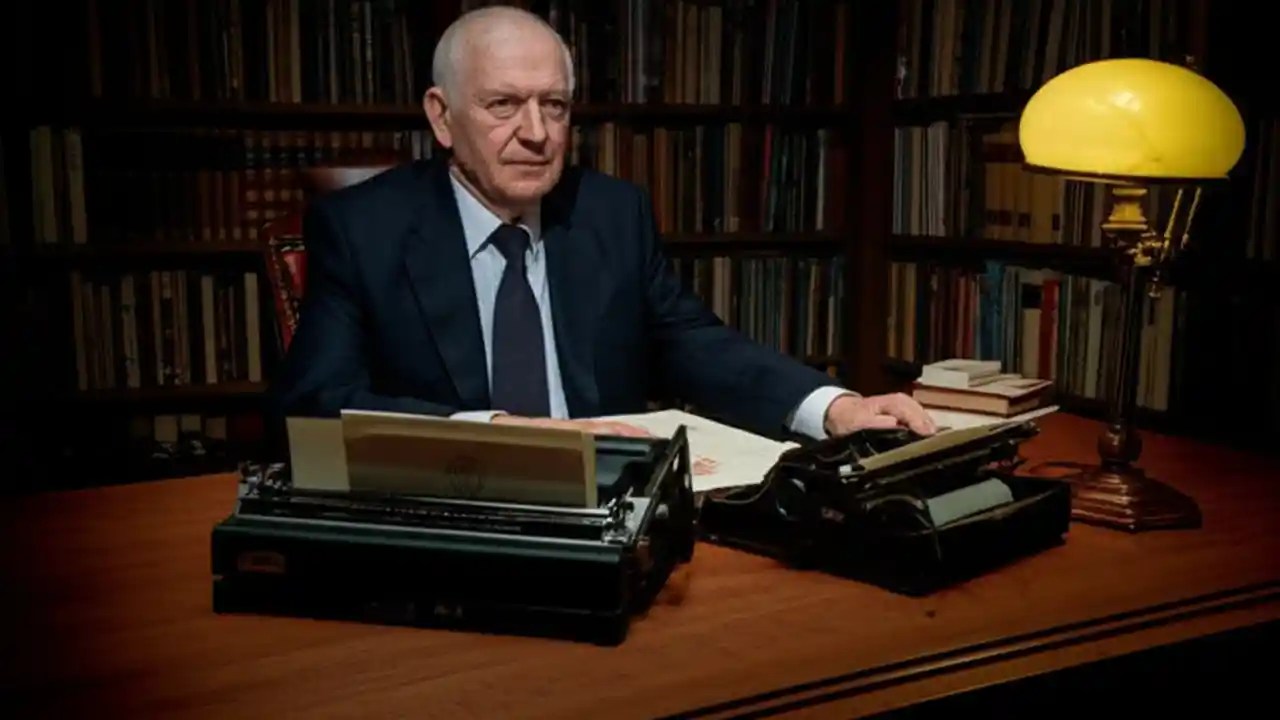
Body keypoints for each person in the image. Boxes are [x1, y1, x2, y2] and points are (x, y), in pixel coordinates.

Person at [268, 6, 936, 442]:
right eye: (503, 105)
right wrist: (498, 434)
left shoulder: (611, 214)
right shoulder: (364, 229)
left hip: (610, 508)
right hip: (455, 511)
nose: (536, 133)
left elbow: (690, 342)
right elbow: (316, 403)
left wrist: (833, 407)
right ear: (442, 118)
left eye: (554, 106)